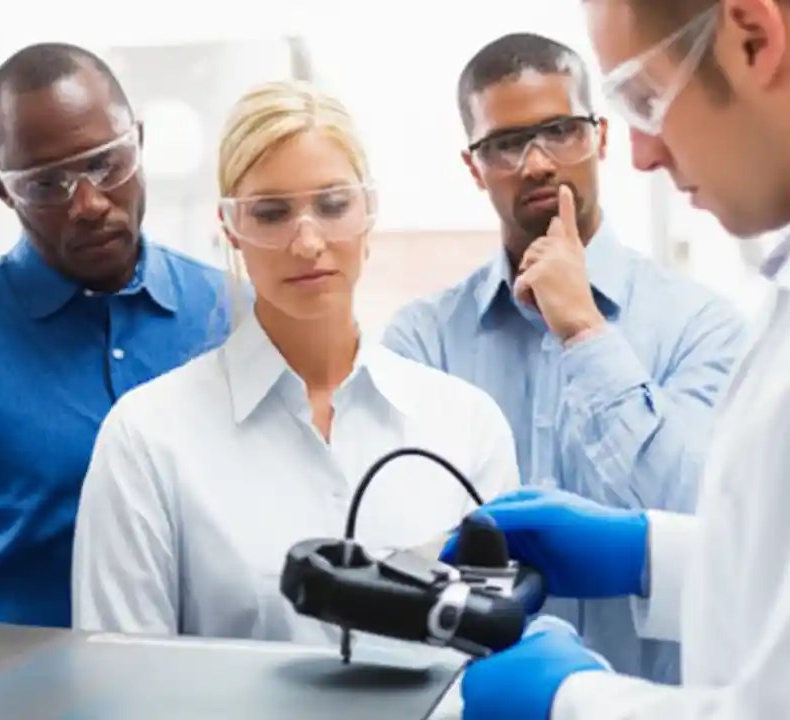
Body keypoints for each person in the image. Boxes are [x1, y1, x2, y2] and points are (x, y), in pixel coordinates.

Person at [451, 0, 790, 717]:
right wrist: (649, 555)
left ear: (753, 38)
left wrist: (568, 700)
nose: (641, 154)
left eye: (646, 97)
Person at [71, 80, 519, 645]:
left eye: (333, 205)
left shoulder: (465, 428)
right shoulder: (148, 440)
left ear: (369, 209)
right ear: (230, 227)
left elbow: (495, 657)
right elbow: (121, 684)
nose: (307, 243)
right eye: (272, 213)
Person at [381, 32, 747, 684]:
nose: (538, 162)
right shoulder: (421, 342)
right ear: (474, 166)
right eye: (505, 144)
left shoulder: (704, 327)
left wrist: (584, 330)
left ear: (602, 137)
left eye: (560, 130)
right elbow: (404, 553)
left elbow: (709, 532)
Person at [0, 42, 229, 628]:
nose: (86, 204)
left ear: (140, 139)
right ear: (0, 187)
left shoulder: (235, 320)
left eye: (106, 164)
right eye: (45, 184)